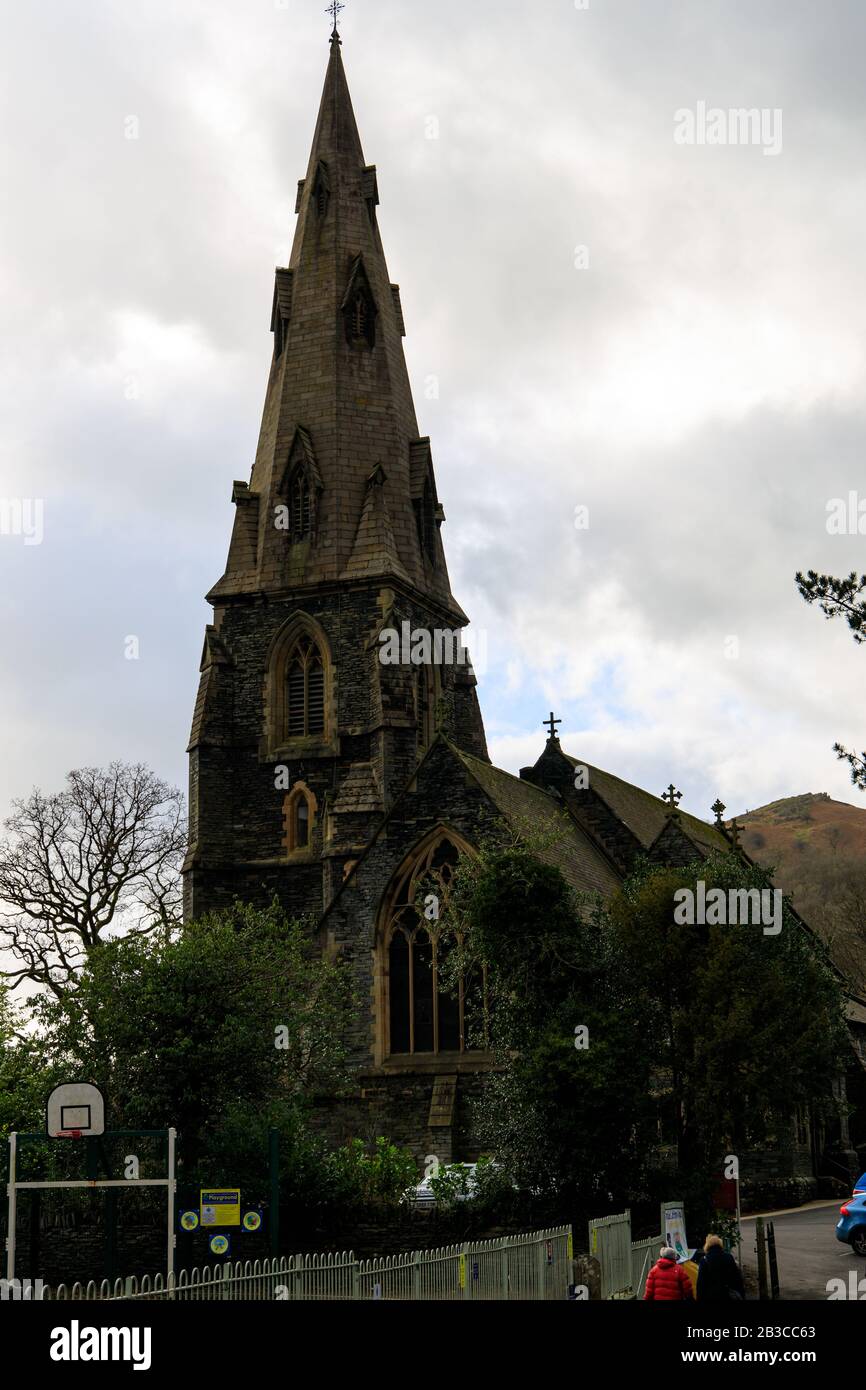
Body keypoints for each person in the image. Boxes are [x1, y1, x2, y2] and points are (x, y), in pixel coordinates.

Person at [696, 1233, 745, 1302]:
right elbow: (737, 1278)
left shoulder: (704, 1260)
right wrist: (741, 1294)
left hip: (710, 1296)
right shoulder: (728, 1257)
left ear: (707, 1246)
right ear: (720, 1244)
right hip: (727, 1295)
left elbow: (701, 1284)